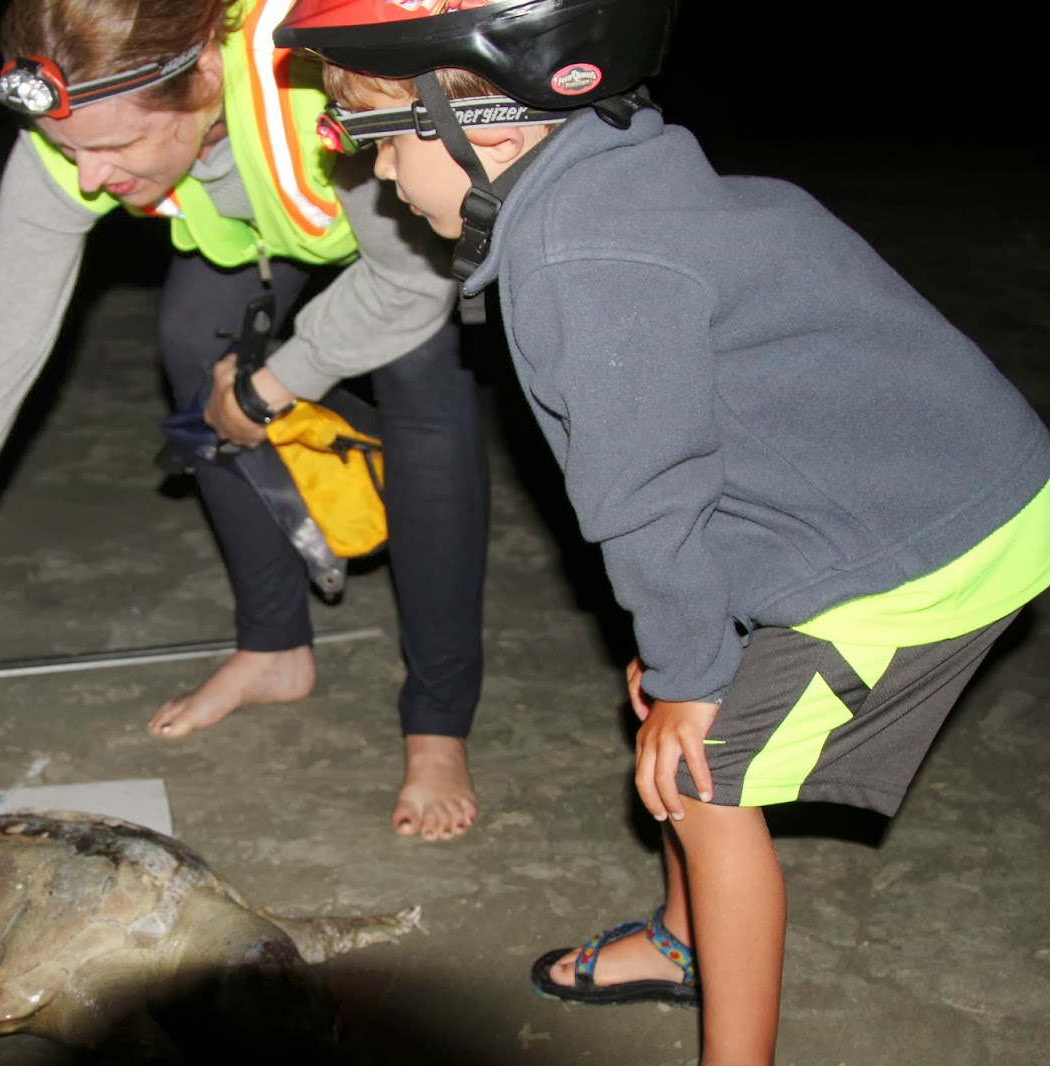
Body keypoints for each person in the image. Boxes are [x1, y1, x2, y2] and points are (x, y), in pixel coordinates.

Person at [274, 0, 1050, 1062]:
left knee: (700, 776)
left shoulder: (580, 265)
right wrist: (686, 657)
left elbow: (649, 490)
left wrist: (697, 678)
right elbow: (712, 439)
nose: (374, 180)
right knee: (668, 688)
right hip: (906, 476)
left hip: (927, 543)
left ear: (485, 130)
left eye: (369, 142)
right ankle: (684, 940)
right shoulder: (618, 170)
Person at [0, 0, 493, 841]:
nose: (87, 179)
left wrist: (271, 387)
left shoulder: (320, 74)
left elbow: (415, 286)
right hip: (263, 221)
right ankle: (274, 649)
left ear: (202, 73)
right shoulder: (73, 123)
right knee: (192, 334)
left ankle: (437, 721)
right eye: (68, 149)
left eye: (114, 149)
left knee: (426, 377)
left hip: (391, 219)